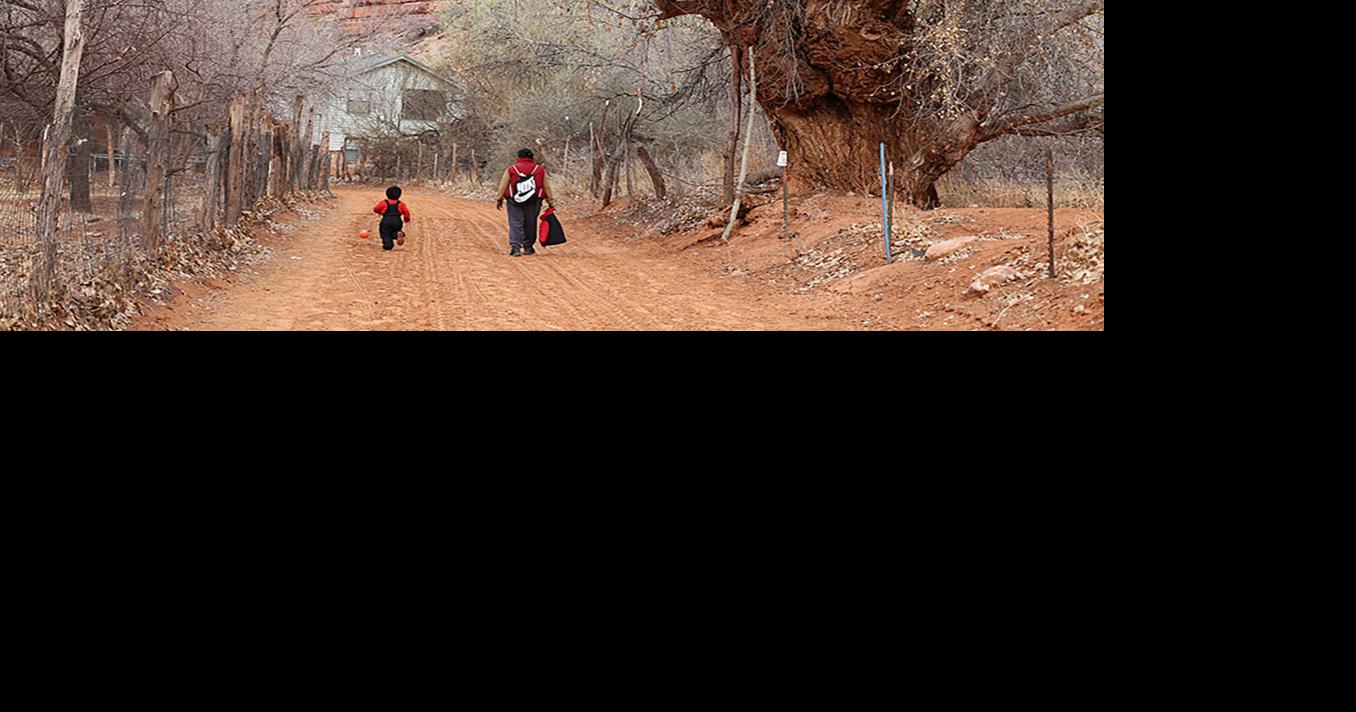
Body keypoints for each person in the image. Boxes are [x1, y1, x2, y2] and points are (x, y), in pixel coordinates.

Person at [496, 148, 554, 257]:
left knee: (515, 223)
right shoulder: (539, 169)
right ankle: (528, 247)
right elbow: (546, 186)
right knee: (531, 223)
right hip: (534, 200)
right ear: (532, 157)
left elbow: (503, 185)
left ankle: (515, 247)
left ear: (518, 157)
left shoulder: (512, 169)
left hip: (514, 201)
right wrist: (550, 201)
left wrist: (499, 198)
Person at [373, 186, 412, 252]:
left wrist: (379, 212)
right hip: (397, 220)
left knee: (385, 233)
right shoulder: (401, 204)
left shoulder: (384, 203)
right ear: (399, 195)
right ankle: (398, 234)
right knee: (395, 230)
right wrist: (406, 219)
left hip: (386, 220)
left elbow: (375, 209)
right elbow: (406, 212)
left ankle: (388, 247)